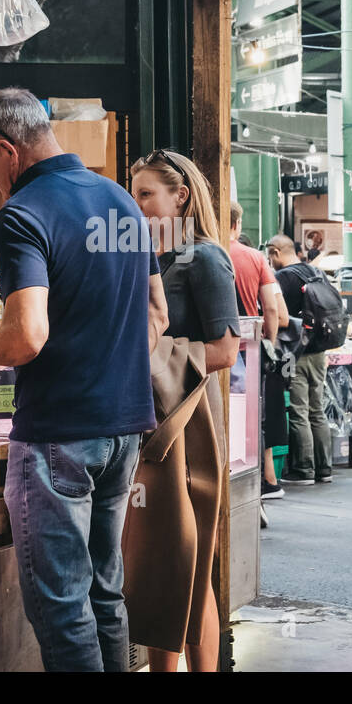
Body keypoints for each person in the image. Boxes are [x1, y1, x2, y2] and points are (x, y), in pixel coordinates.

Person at [0, 88, 164, 672]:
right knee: (104, 594)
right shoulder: (120, 200)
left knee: (64, 607)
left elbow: (26, 337)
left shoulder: (22, 213)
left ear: (8, 150)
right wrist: (106, 364)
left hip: (56, 437)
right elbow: (157, 315)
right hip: (123, 432)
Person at [129, 148, 238, 673]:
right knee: (167, 563)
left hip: (188, 418)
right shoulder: (146, 258)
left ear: (182, 196)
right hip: (150, 417)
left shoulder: (207, 258)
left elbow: (226, 350)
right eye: (133, 194)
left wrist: (151, 353)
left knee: (184, 566)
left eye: (147, 193)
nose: (137, 204)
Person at [267, 233, 334, 485]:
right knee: (317, 410)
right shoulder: (317, 273)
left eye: (270, 257)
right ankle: (324, 468)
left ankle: (304, 469)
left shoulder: (283, 277)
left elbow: (275, 313)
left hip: (295, 352)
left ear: (275, 253)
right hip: (320, 352)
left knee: (298, 411)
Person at [228, 202, 284, 499]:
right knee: (251, 417)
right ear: (237, 225)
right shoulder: (255, 257)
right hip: (247, 351)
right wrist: (270, 344)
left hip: (211, 351)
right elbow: (272, 309)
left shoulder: (201, 252)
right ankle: (252, 486)